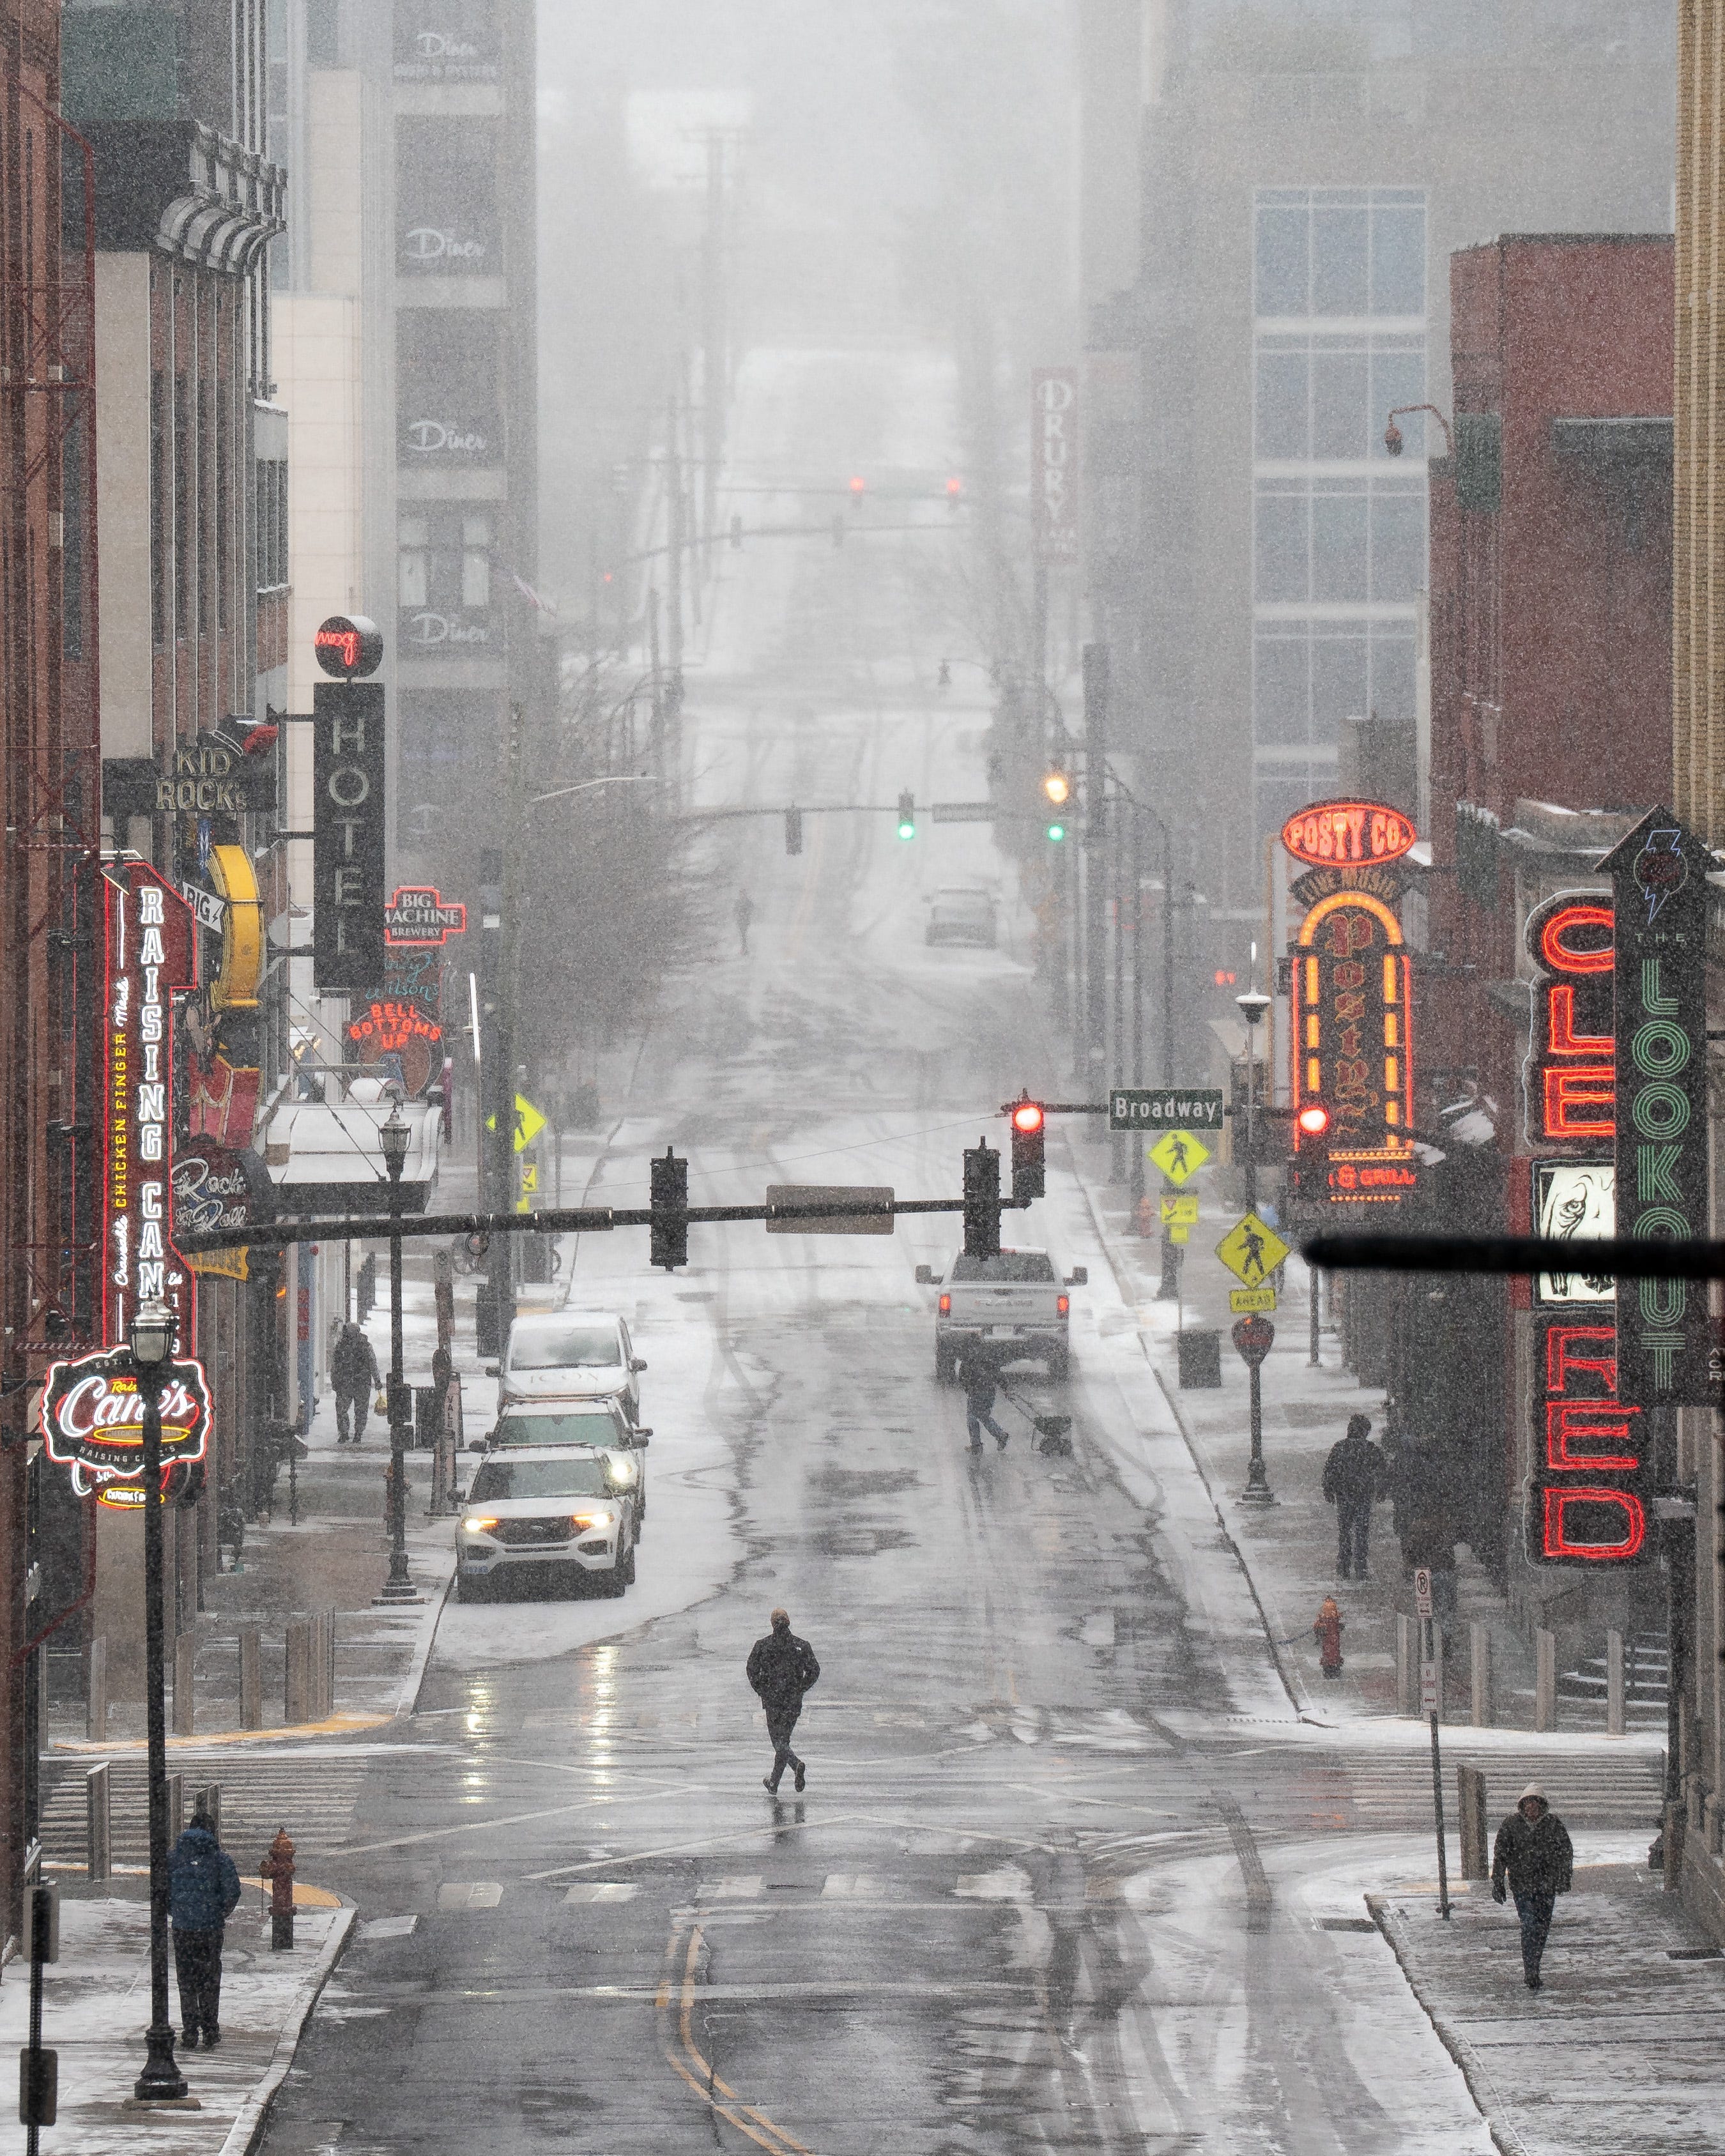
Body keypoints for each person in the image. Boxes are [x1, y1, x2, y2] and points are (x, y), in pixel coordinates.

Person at [169, 1808, 243, 2049]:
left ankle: (190, 2030)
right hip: (210, 1929)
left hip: (183, 1928)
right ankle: (211, 2028)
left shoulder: (173, 1858)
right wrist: (219, 1912)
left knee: (187, 1979)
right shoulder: (220, 1859)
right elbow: (232, 1892)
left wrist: (178, 1911)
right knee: (210, 1979)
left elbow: (162, 1891)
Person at [1492, 1782, 1574, 1990]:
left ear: (1542, 1806)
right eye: (1528, 1804)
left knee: (1542, 1927)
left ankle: (1535, 1963)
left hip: (1546, 1887)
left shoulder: (1553, 1826)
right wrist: (1498, 1881)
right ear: (1522, 1805)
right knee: (1528, 1924)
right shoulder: (1511, 1825)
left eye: (1535, 1804)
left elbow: (1565, 1852)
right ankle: (1530, 1969)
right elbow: (1501, 1855)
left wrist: (1563, 1879)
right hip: (1522, 1886)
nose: (1532, 1809)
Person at [746, 1608, 820, 1793]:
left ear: (772, 1624)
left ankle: (796, 1765)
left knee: (779, 1743)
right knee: (784, 1741)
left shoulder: (763, 1646)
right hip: (793, 1702)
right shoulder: (802, 1646)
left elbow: (751, 1670)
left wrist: (761, 1689)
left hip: (773, 1701)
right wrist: (801, 1688)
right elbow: (814, 1670)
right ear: (788, 1622)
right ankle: (774, 1783)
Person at [1322, 1412, 1388, 1580]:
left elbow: (1330, 1470)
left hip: (1344, 1495)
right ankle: (1360, 1563)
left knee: (1345, 1530)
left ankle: (1344, 1563)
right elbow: (1382, 1472)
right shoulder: (1371, 1449)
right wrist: (1381, 1490)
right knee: (1361, 1530)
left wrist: (1329, 1490)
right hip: (1363, 1495)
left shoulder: (1340, 1448)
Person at [331, 1318, 381, 1446]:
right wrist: (377, 1380)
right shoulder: (362, 1346)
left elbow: (335, 1366)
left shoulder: (347, 1346)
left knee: (347, 1410)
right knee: (358, 1410)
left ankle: (349, 1433)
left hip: (349, 1383)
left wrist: (335, 1380)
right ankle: (353, 1433)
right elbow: (372, 1364)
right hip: (358, 1383)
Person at [959, 1351, 1010, 1453]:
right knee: (984, 1416)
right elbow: (997, 1373)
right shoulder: (987, 1355)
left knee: (972, 1417)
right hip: (990, 1391)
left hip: (976, 1390)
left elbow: (962, 1376)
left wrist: (968, 1388)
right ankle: (999, 1435)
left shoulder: (968, 1358)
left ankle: (976, 1444)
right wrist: (1005, 1388)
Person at [1312, 1594, 1344, 1679]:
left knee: (1328, 1650)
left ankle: (1329, 1668)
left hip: (1327, 1638)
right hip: (1334, 1637)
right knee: (1335, 1650)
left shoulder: (1323, 1619)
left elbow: (1317, 1626)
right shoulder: (1334, 1619)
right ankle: (1334, 1667)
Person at [734, 890, 755, 956]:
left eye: (743, 894)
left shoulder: (748, 902)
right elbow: (735, 910)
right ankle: (744, 948)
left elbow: (752, 909)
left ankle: (745, 948)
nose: (742, 895)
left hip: (746, 921)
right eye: (741, 894)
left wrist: (746, 914)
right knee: (743, 935)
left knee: (745, 935)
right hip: (740, 921)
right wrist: (738, 915)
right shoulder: (738, 902)